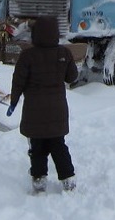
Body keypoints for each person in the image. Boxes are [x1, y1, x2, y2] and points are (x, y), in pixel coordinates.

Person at [7, 16, 79, 194]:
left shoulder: (27, 56)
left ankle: (39, 180)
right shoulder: (64, 53)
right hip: (57, 111)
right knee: (58, 146)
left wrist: (14, 102)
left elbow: (18, 82)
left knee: (37, 147)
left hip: (34, 111)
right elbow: (72, 77)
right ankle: (68, 179)